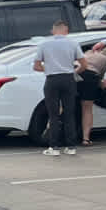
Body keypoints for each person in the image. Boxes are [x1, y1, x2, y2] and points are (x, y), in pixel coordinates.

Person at [33, 18, 81, 156]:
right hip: (68, 79)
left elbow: (36, 65)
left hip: (52, 79)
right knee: (69, 113)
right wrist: (74, 71)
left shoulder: (44, 44)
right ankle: (71, 146)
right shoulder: (73, 43)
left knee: (53, 114)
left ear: (53, 30)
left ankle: (54, 147)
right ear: (66, 30)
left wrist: (49, 69)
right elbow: (83, 63)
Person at [76, 40, 106, 147]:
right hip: (90, 77)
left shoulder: (88, 53)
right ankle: (86, 139)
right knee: (87, 109)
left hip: (73, 72)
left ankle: (58, 132)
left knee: (66, 105)